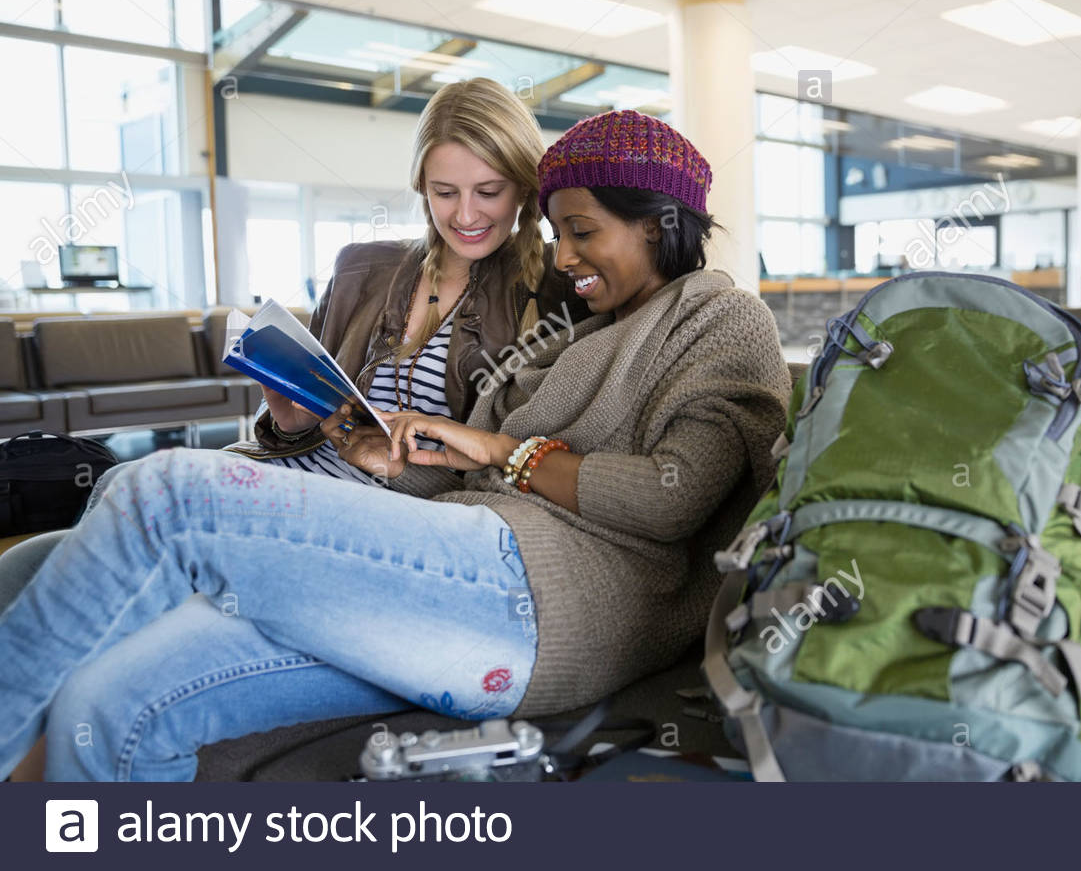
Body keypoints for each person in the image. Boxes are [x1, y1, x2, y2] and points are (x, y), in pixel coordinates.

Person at [0, 110, 790, 782]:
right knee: (112, 703)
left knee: (161, 493)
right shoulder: (581, 337)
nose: (564, 256)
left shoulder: (723, 318)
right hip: (468, 581)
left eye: (582, 232)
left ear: (660, 223)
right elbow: (478, 482)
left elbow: (672, 496)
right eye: (557, 235)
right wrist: (393, 466)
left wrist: (498, 450)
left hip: (548, 596)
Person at [244, 75, 587, 482]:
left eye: (489, 192)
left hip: (385, 499)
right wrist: (291, 423)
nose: (465, 216)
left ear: (524, 188)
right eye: (445, 192)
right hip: (291, 472)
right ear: (422, 186)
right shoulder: (357, 268)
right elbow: (288, 429)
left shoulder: (560, 283)